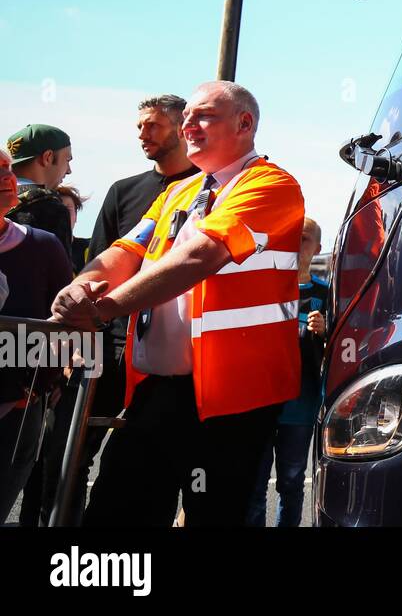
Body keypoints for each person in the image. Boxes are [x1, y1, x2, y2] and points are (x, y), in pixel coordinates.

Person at [50, 81, 305, 527]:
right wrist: (82, 285)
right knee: (116, 513)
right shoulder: (176, 194)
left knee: (211, 517)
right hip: (161, 391)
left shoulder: (273, 186)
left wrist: (102, 309)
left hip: (233, 402)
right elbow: (127, 250)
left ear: (245, 123)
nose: (189, 124)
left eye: (204, 115)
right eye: (187, 116)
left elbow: (201, 255)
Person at [31, 96, 199, 527]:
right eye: (140, 126)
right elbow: (99, 262)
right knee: (66, 455)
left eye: (153, 126)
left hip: (172, 360)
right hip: (104, 346)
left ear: (182, 128)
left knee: (159, 467)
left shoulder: (209, 189)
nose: (141, 134)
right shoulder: (124, 191)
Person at [0, 145, 74, 521]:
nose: (7, 179)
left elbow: (62, 320)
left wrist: (45, 381)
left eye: (7, 170)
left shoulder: (43, 246)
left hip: (19, 402)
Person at [247, 217, 329, 526]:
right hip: (262, 402)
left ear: (317, 248)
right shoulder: (266, 286)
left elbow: (340, 346)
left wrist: (325, 331)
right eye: (293, 237)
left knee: (292, 482)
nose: (297, 244)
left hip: (301, 404)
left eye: (305, 239)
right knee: (254, 484)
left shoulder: (326, 293)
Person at [4, 124, 74, 258]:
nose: (69, 170)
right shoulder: (50, 208)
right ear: (47, 157)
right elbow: (58, 275)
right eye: (67, 160)